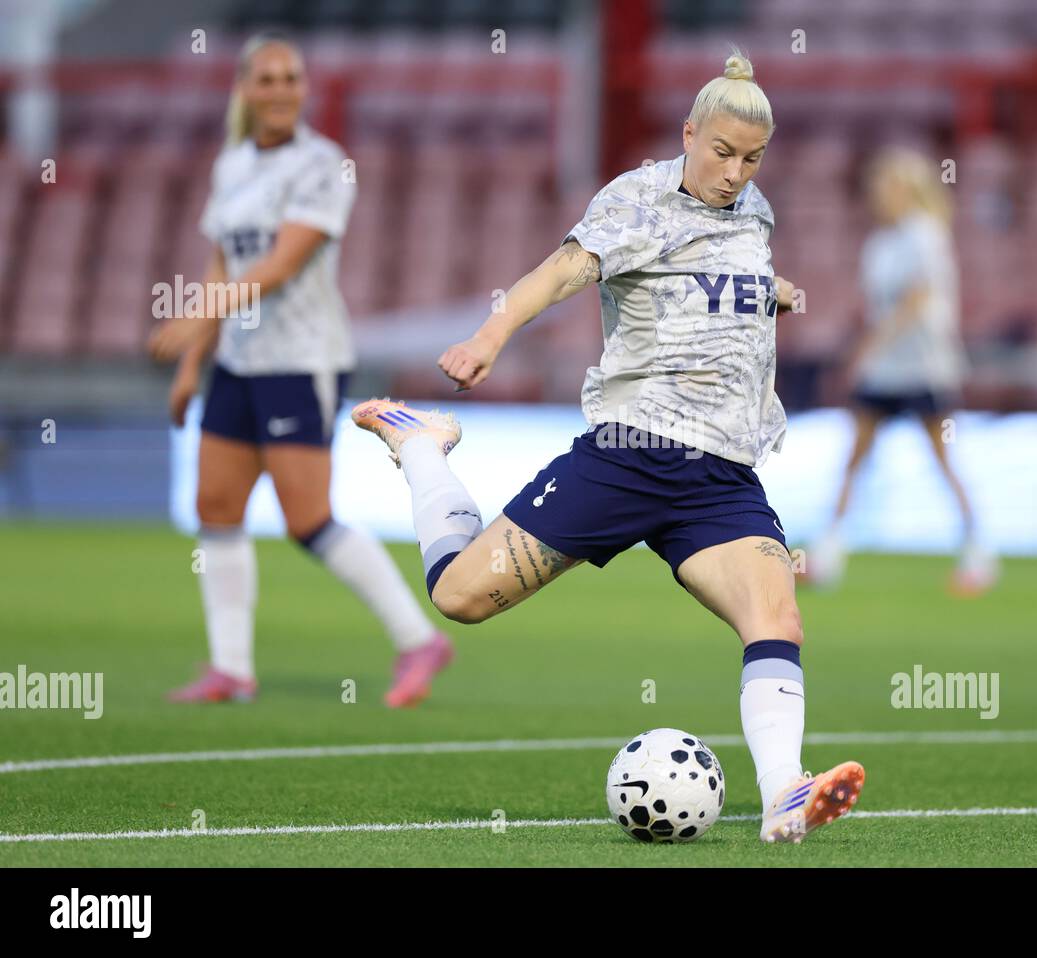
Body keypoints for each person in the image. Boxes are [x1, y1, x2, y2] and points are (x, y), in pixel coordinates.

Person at [351, 51, 864, 844]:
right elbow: (562, 274)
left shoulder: (753, 213)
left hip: (722, 476)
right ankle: (422, 447)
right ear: (689, 133)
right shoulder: (638, 200)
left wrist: (777, 292)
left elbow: (724, 278)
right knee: (459, 597)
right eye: (721, 152)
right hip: (629, 455)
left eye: (752, 159)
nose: (734, 172)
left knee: (778, 619)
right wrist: (490, 335)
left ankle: (783, 796)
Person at [148, 33, 453, 706]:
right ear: (246, 90)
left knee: (307, 518)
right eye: (268, 78)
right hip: (237, 362)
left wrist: (196, 321)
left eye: (292, 77)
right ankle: (232, 668)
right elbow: (221, 264)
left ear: (303, 88)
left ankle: (419, 639)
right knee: (215, 507)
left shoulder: (325, 165)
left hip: (301, 360)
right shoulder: (231, 166)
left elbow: (282, 264)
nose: (282, 89)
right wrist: (193, 364)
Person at [811, 147, 997, 596]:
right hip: (886, 367)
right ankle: (828, 552)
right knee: (854, 458)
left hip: (925, 367)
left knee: (942, 459)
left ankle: (978, 552)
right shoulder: (879, 242)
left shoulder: (925, 235)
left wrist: (868, 347)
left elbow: (916, 301)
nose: (879, 196)